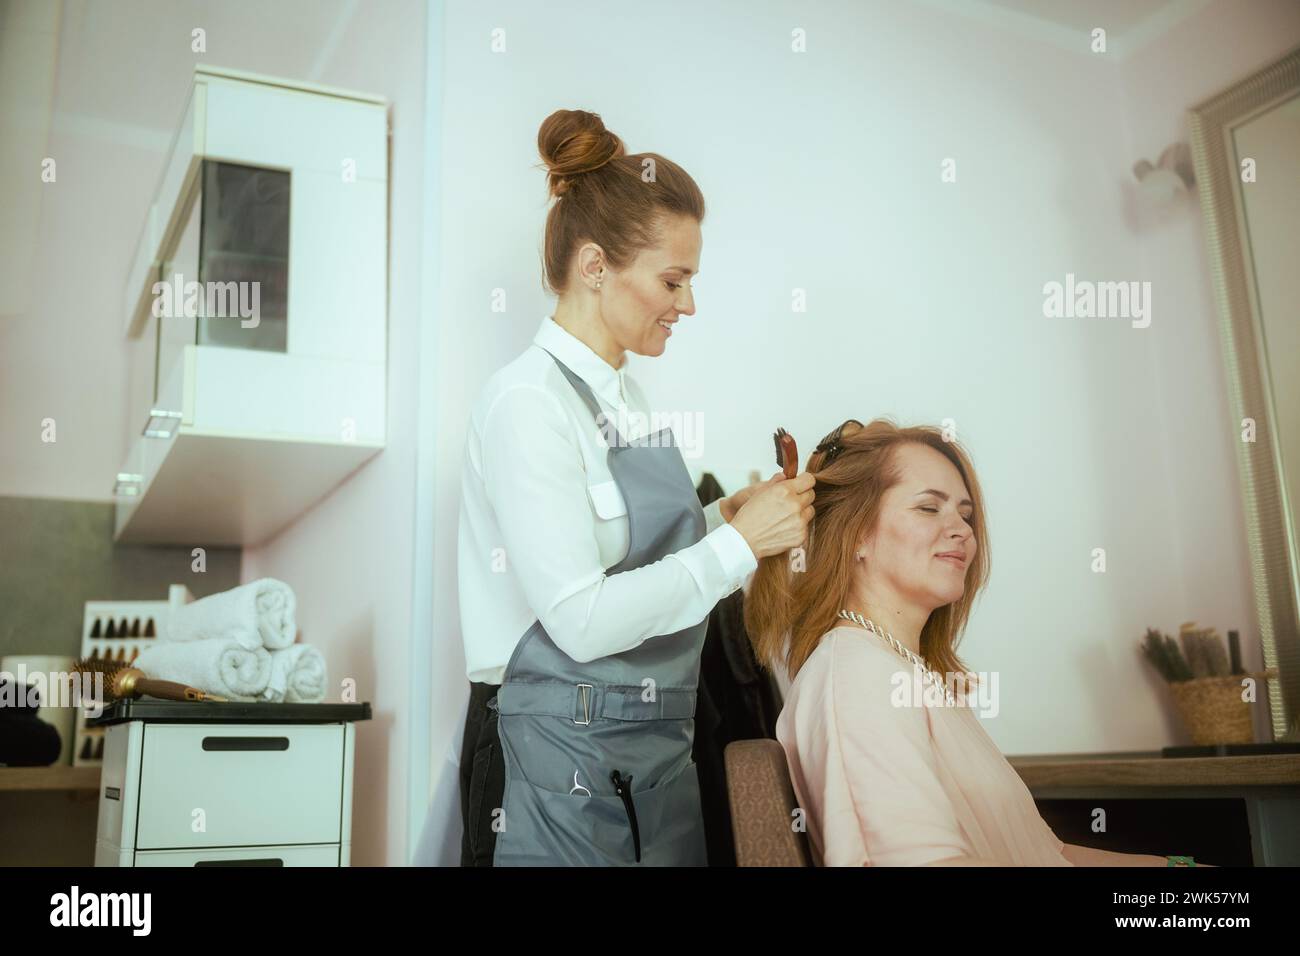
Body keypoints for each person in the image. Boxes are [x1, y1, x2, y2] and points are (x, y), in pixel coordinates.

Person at [456, 108, 815, 866]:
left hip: (645, 754)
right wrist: (737, 547)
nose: (688, 305)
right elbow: (581, 620)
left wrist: (726, 514)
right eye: (673, 280)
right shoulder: (528, 404)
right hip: (544, 760)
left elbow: (627, 551)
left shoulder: (624, 397)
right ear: (595, 267)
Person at [747, 418, 1206, 867]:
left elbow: (1051, 855)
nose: (963, 530)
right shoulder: (857, 676)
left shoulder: (905, 672)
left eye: (965, 515)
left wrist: (1178, 872)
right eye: (929, 508)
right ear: (856, 536)